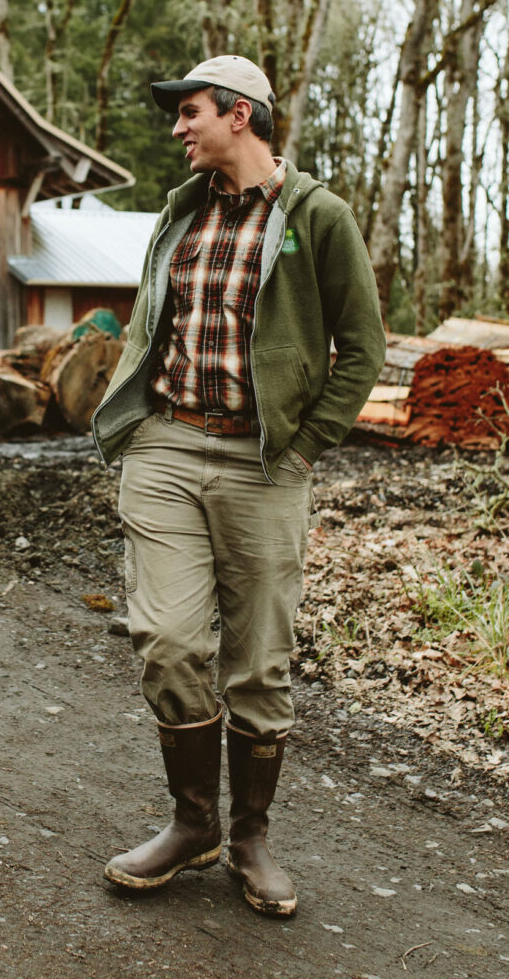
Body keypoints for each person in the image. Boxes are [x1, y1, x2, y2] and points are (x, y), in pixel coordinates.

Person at [91, 57, 385, 916]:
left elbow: (361, 349)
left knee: (259, 661)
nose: (178, 129)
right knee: (169, 638)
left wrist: (304, 448)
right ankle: (193, 824)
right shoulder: (180, 213)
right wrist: (138, 426)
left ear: (241, 117)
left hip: (265, 465)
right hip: (170, 449)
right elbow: (155, 326)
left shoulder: (318, 218)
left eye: (190, 114)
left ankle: (251, 838)